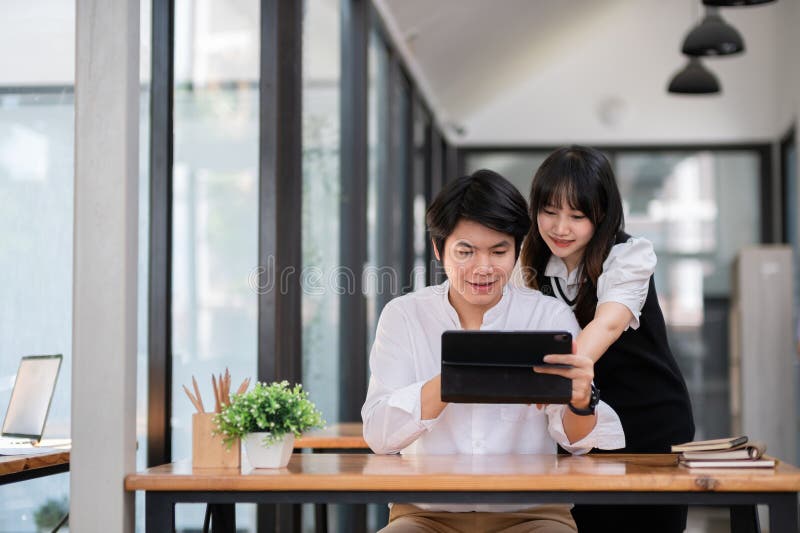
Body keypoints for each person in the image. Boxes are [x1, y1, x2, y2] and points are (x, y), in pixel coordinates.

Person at [362, 169, 624, 533]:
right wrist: (453, 380)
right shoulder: (404, 316)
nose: (483, 268)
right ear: (439, 249)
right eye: (465, 251)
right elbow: (379, 435)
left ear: (517, 249)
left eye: (499, 251)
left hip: (533, 513)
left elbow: (577, 445)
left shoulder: (547, 316)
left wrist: (581, 401)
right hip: (426, 514)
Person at [520, 146, 695, 533]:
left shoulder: (628, 255)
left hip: (650, 421)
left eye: (577, 216)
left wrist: (550, 377)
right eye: (549, 212)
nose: (560, 228)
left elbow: (608, 325)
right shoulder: (530, 263)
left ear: (602, 216)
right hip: (581, 426)